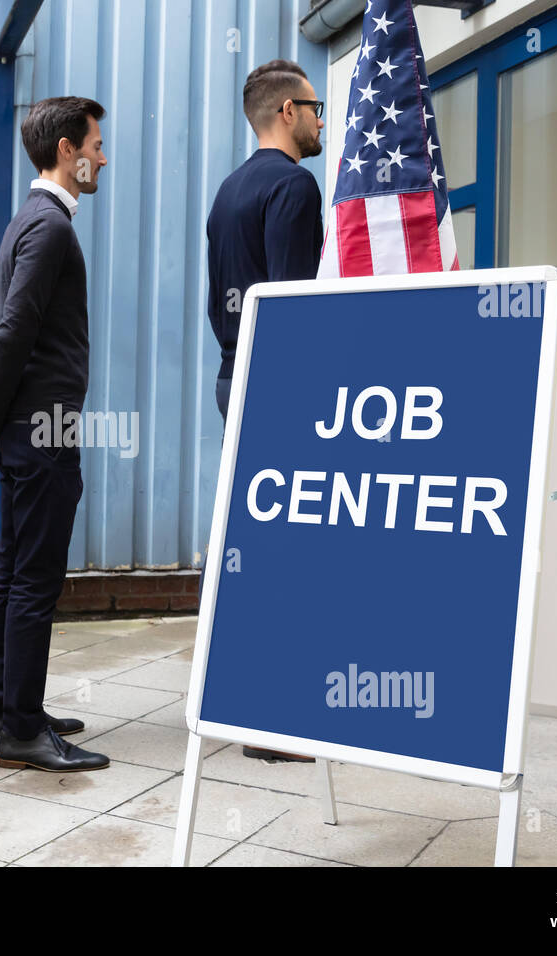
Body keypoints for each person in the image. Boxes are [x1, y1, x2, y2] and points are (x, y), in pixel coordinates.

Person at [0, 96, 111, 773]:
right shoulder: (50, 227)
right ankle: (21, 729)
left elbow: (11, 330)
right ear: (65, 152)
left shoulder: (28, 220)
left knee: (12, 570)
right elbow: (14, 329)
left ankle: (8, 709)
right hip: (42, 431)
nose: (102, 157)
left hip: (23, 427)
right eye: (96, 145)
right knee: (34, 580)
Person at [205, 59, 324, 763]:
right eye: (313, 107)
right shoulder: (293, 186)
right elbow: (290, 304)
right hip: (276, 383)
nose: (319, 120)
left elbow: (222, 303)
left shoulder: (228, 191)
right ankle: (274, 723)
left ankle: (255, 707)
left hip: (233, 375)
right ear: (286, 110)